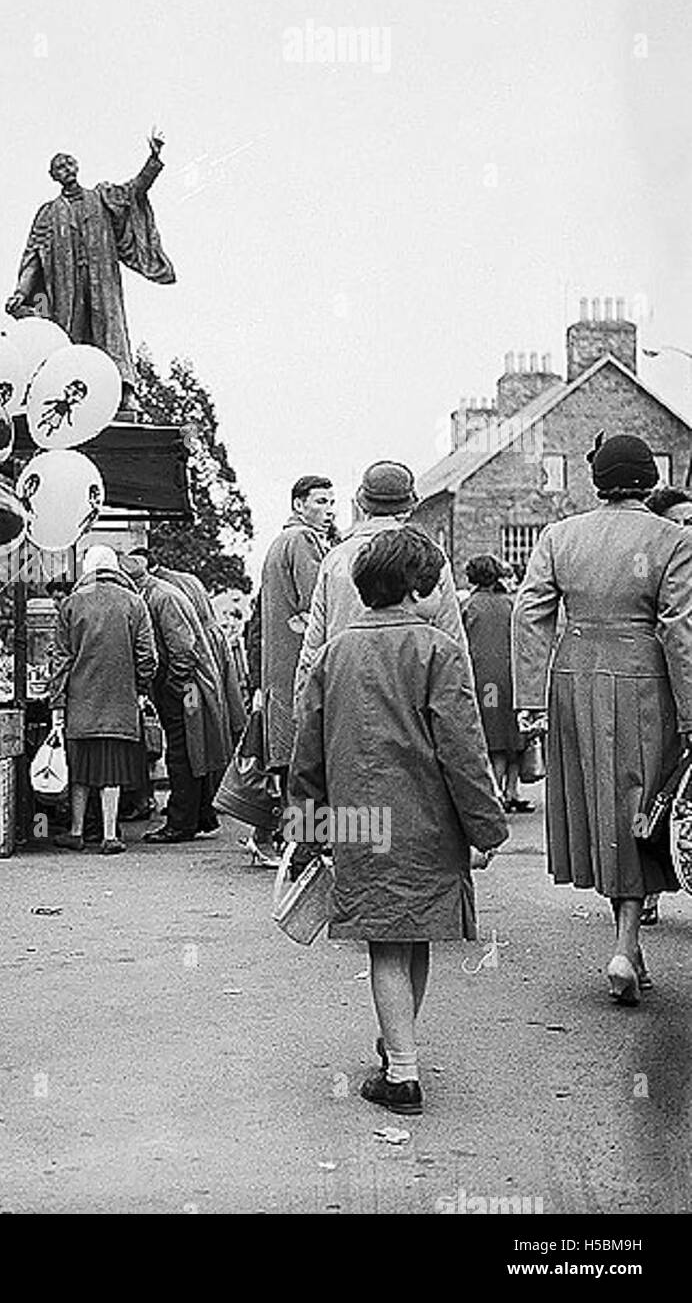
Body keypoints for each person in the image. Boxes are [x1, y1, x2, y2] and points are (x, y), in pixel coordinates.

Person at [289, 527, 507, 1116]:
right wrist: (486, 829)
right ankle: (403, 1067)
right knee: (414, 939)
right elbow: (464, 751)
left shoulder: (334, 653)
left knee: (385, 943)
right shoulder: (438, 650)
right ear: (415, 589)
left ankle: (398, 1053)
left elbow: (305, 752)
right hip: (428, 822)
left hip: (361, 821)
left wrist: (307, 831)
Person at [513, 434, 692, 1005]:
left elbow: (530, 612)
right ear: (648, 481)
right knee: (639, 805)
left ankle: (629, 946)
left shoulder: (559, 535)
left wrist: (530, 698)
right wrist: (691, 713)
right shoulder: (673, 540)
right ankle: (624, 944)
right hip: (646, 680)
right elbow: (680, 630)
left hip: (574, 679)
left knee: (600, 807)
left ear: (598, 482)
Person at [6, 130, 176, 411]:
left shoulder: (102, 197)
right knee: (69, 337)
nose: (66, 169)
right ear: (54, 176)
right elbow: (34, 258)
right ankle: (70, 394)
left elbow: (136, 190)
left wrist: (153, 159)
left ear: (77, 167)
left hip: (102, 280)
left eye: (69, 163)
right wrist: (20, 292)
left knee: (110, 332)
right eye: (59, 167)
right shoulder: (48, 213)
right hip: (66, 286)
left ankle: (124, 390)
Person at [294, 460, 469, 710]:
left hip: (345, 697)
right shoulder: (430, 557)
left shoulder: (335, 559)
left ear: (363, 505)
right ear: (409, 507)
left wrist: (303, 709)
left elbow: (313, 647)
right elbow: (452, 639)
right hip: (411, 700)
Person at [49, 545, 157, 854]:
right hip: (120, 704)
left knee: (80, 769)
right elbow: (147, 656)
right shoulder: (135, 603)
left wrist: (58, 701)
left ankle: (77, 831)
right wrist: (139, 689)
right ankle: (111, 835)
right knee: (113, 770)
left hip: (80, 704)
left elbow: (61, 659)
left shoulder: (70, 604)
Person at [119, 551, 231, 842]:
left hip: (189, 687)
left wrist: (171, 687)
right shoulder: (160, 593)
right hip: (190, 684)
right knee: (194, 748)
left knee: (183, 750)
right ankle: (199, 815)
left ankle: (181, 823)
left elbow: (183, 650)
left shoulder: (162, 598)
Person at [258, 476, 335, 863]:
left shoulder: (278, 542)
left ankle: (286, 841)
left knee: (287, 759)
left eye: (331, 501)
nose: (329, 509)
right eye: (320, 501)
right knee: (304, 760)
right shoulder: (303, 542)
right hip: (299, 663)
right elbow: (317, 598)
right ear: (298, 504)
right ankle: (301, 849)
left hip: (279, 664)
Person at [640, 488, 692, 925]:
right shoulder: (652, 573)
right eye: (680, 521)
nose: (688, 529)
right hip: (661, 694)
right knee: (660, 791)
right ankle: (649, 887)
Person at [462, 554, 530, 813]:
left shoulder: (469, 607)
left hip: (483, 680)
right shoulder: (510, 605)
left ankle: (497, 791)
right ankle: (512, 790)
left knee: (492, 737)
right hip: (510, 678)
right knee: (513, 735)